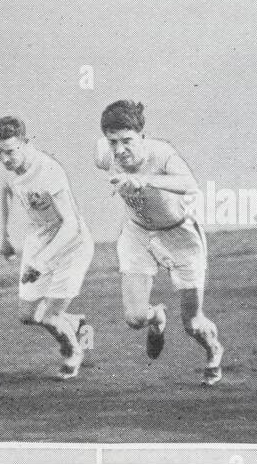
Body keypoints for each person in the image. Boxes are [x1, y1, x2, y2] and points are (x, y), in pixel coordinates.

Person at [95, 100, 224, 386]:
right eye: (112, 141)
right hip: (138, 234)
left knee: (192, 323)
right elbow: (102, 155)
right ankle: (157, 319)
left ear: (142, 136)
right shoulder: (105, 153)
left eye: (127, 141)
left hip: (179, 237)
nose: (119, 150)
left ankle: (213, 349)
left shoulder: (162, 153)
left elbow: (190, 184)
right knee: (135, 318)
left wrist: (145, 180)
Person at [0, 116, 94, 380]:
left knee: (49, 316)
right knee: (27, 315)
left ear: (26, 143)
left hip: (71, 244)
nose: (4, 159)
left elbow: (71, 225)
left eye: (10, 151)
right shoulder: (9, 169)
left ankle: (75, 352)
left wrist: (42, 262)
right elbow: (6, 192)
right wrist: (5, 234)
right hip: (39, 239)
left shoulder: (48, 171)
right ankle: (75, 323)